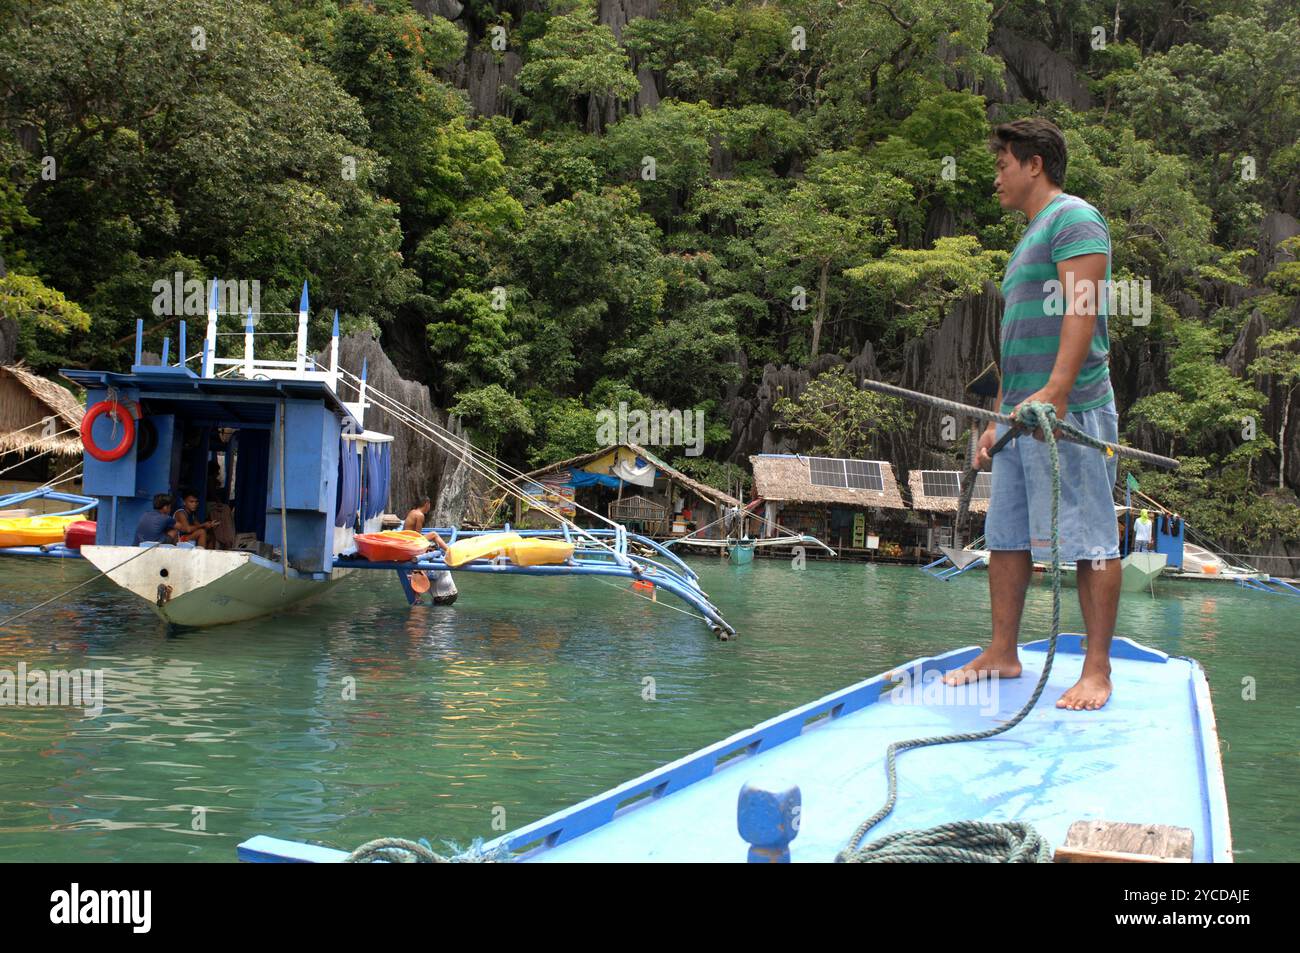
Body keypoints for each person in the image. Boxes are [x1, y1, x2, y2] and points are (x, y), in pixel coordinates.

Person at [944, 118, 1120, 712]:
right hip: (1022, 414)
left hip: (1071, 408)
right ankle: (1002, 651)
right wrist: (997, 421)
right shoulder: (1026, 240)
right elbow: (1015, 343)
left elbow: (1084, 304)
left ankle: (1097, 670)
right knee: (1008, 538)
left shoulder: (1074, 217)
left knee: (1092, 539)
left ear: (1034, 164)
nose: (996, 177)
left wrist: (1060, 389)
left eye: (1002, 165)